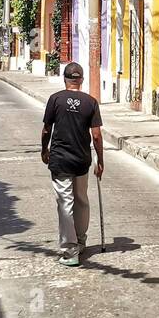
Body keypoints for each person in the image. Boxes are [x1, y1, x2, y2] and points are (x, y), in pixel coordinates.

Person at [41, 61, 104, 267]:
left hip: (60, 158)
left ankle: (70, 250)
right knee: (81, 199)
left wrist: (44, 149)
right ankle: (81, 239)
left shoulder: (55, 99)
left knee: (65, 202)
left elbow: (46, 129)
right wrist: (100, 160)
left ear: (65, 79)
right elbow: (96, 136)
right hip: (82, 158)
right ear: (82, 80)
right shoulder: (90, 102)